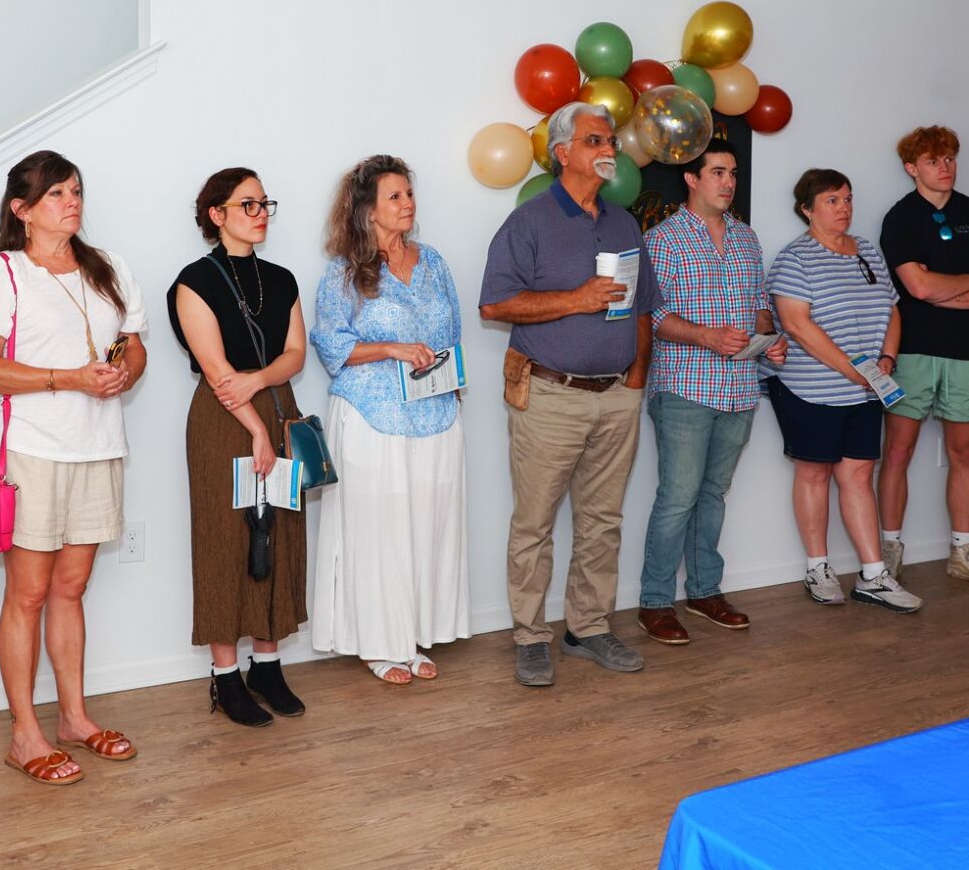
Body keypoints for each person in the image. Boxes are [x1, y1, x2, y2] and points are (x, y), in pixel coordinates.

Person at [0, 151, 149, 785]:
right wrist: (68, 378)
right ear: (22, 210)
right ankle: (24, 733)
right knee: (29, 593)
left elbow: (134, 341)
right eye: (57, 194)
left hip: (98, 447)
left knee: (71, 590)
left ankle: (74, 718)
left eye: (76, 191)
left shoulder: (109, 267)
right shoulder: (1, 271)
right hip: (30, 451)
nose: (72, 202)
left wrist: (125, 369)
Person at [480, 101, 655, 687]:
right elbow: (495, 304)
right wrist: (576, 299)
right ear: (562, 152)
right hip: (550, 396)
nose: (610, 149)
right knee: (533, 524)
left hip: (616, 398)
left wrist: (636, 379)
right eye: (596, 140)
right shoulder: (528, 223)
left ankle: (589, 628)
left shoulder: (624, 222)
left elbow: (643, 308)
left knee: (602, 521)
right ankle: (531, 637)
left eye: (611, 140)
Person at [309, 155, 470, 683]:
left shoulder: (435, 262)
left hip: (436, 415)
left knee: (428, 528)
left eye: (409, 194)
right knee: (378, 532)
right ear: (368, 211)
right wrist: (391, 349)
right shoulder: (344, 273)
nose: (407, 204)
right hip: (371, 417)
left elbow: (452, 334)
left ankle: (414, 637)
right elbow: (333, 346)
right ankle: (380, 644)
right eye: (394, 196)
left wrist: (453, 383)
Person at [169, 168, 310, 725]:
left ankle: (268, 665)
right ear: (216, 214)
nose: (260, 212)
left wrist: (261, 382)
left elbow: (296, 352)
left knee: (281, 535)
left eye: (264, 203)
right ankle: (226, 678)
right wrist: (255, 425)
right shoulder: (193, 282)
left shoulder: (281, 278)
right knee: (227, 541)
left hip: (278, 408)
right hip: (225, 420)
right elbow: (217, 370)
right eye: (247, 204)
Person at [636, 138, 788, 645]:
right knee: (677, 498)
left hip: (740, 388)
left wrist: (769, 339)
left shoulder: (747, 239)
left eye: (733, 173)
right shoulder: (662, 240)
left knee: (713, 496)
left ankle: (704, 591)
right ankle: (655, 602)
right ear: (692, 179)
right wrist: (707, 336)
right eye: (718, 172)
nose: (727, 182)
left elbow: (760, 304)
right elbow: (654, 318)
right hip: (684, 387)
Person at [768, 168, 921, 613]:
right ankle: (818, 568)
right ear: (807, 209)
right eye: (832, 201)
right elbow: (798, 325)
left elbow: (892, 310)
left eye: (848, 199)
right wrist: (856, 372)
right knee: (814, 474)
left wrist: (885, 363)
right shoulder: (794, 259)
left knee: (858, 477)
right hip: (811, 390)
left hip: (866, 391)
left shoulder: (868, 251)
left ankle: (874, 575)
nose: (844, 208)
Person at [876, 126, 969, 591]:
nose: (946, 167)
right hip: (910, 349)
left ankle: (961, 551)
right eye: (935, 160)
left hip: (968, 351)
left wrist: (942, 287)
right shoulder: (900, 218)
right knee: (897, 451)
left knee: (964, 454)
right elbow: (915, 288)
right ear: (913, 168)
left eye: (951, 158)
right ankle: (889, 552)